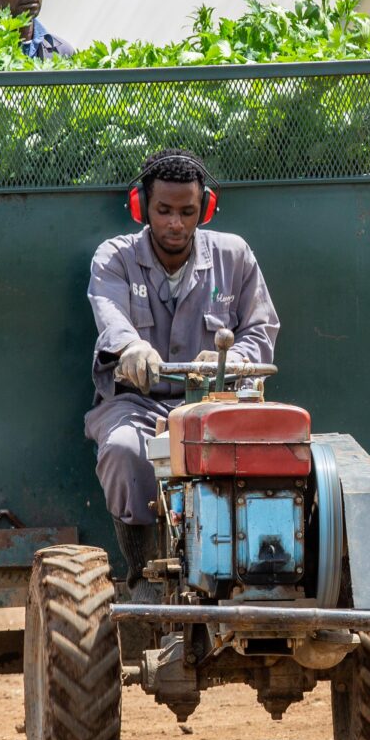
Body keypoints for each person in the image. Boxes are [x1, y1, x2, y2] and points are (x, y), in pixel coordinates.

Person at [85, 150, 279, 601]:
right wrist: (131, 347)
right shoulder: (114, 258)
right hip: (136, 405)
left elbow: (261, 327)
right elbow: (110, 314)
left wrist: (233, 361)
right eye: (164, 210)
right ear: (141, 207)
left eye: (187, 212)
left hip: (217, 405)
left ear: (205, 208)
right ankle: (143, 579)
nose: (175, 223)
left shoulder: (235, 256)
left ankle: (254, 575)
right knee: (122, 452)